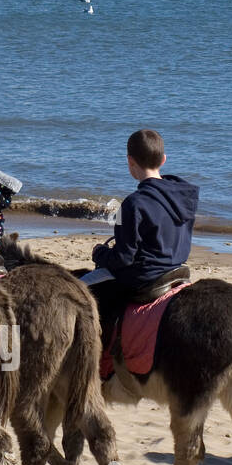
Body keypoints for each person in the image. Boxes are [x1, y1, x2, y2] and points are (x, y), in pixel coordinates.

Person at [80, 128, 198, 334]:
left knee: (76, 288)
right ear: (163, 160)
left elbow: (123, 259)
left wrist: (100, 253)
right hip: (177, 268)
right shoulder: (183, 196)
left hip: (145, 278)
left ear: (130, 161)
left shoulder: (133, 204)